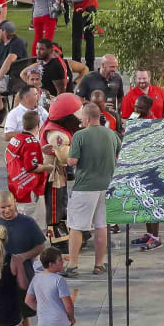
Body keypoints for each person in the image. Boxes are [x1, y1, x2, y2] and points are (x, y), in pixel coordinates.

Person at [64, 104, 120, 278]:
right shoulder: (112, 135)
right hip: (107, 185)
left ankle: (73, 265)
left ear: (87, 118)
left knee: (76, 227)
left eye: (82, 117)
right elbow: (119, 154)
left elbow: (73, 161)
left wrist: (63, 155)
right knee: (101, 226)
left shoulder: (80, 135)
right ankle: (99, 265)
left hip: (85, 187)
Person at [25, 247, 76, 326]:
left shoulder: (36, 278)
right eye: (59, 260)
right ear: (50, 264)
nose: (62, 262)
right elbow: (68, 305)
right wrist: (71, 317)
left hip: (43, 325)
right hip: (60, 325)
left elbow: (28, 301)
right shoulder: (59, 280)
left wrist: (42, 310)